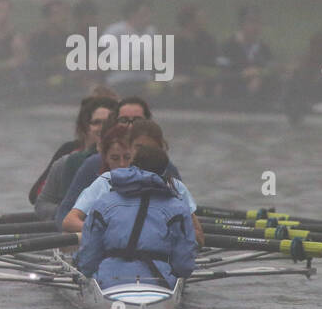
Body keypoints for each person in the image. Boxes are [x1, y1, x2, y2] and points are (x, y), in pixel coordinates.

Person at [73, 145, 198, 291]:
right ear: (165, 171)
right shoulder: (178, 208)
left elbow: (88, 258)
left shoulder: (104, 203)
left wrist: (86, 274)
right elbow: (184, 265)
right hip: (159, 284)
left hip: (109, 283)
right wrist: (176, 277)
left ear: (132, 166)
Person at [60, 118, 203, 245]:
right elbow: (69, 221)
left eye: (151, 148)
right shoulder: (106, 182)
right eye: (139, 147)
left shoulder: (176, 186)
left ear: (161, 150)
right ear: (130, 148)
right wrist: (102, 231)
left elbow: (199, 237)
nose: (145, 153)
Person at [33, 97, 119, 219]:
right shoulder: (67, 161)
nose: (102, 128)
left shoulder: (132, 162)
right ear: (86, 127)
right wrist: (67, 212)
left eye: (107, 123)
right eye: (97, 122)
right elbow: (39, 202)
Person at [218, 5, 275, 96]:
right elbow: (221, 71)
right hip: (233, 95)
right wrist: (242, 73)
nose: (256, 26)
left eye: (258, 22)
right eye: (251, 22)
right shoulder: (227, 46)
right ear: (242, 24)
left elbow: (271, 68)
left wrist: (259, 74)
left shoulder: (263, 48)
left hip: (260, 97)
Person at [103, 0, 158, 89]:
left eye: (149, 13)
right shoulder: (114, 31)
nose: (148, 17)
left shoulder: (151, 31)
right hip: (120, 81)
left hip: (145, 80)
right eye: (144, 14)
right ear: (132, 14)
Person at [174, 5, 219, 96]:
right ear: (189, 22)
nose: (204, 21)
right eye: (200, 18)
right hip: (182, 84)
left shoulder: (208, 40)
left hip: (205, 82)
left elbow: (215, 63)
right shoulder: (176, 43)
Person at [27, 0, 72, 73]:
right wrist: (52, 62)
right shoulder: (36, 40)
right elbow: (32, 67)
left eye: (65, 13)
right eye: (58, 14)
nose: (63, 17)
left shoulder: (73, 40)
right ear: (48, 18)